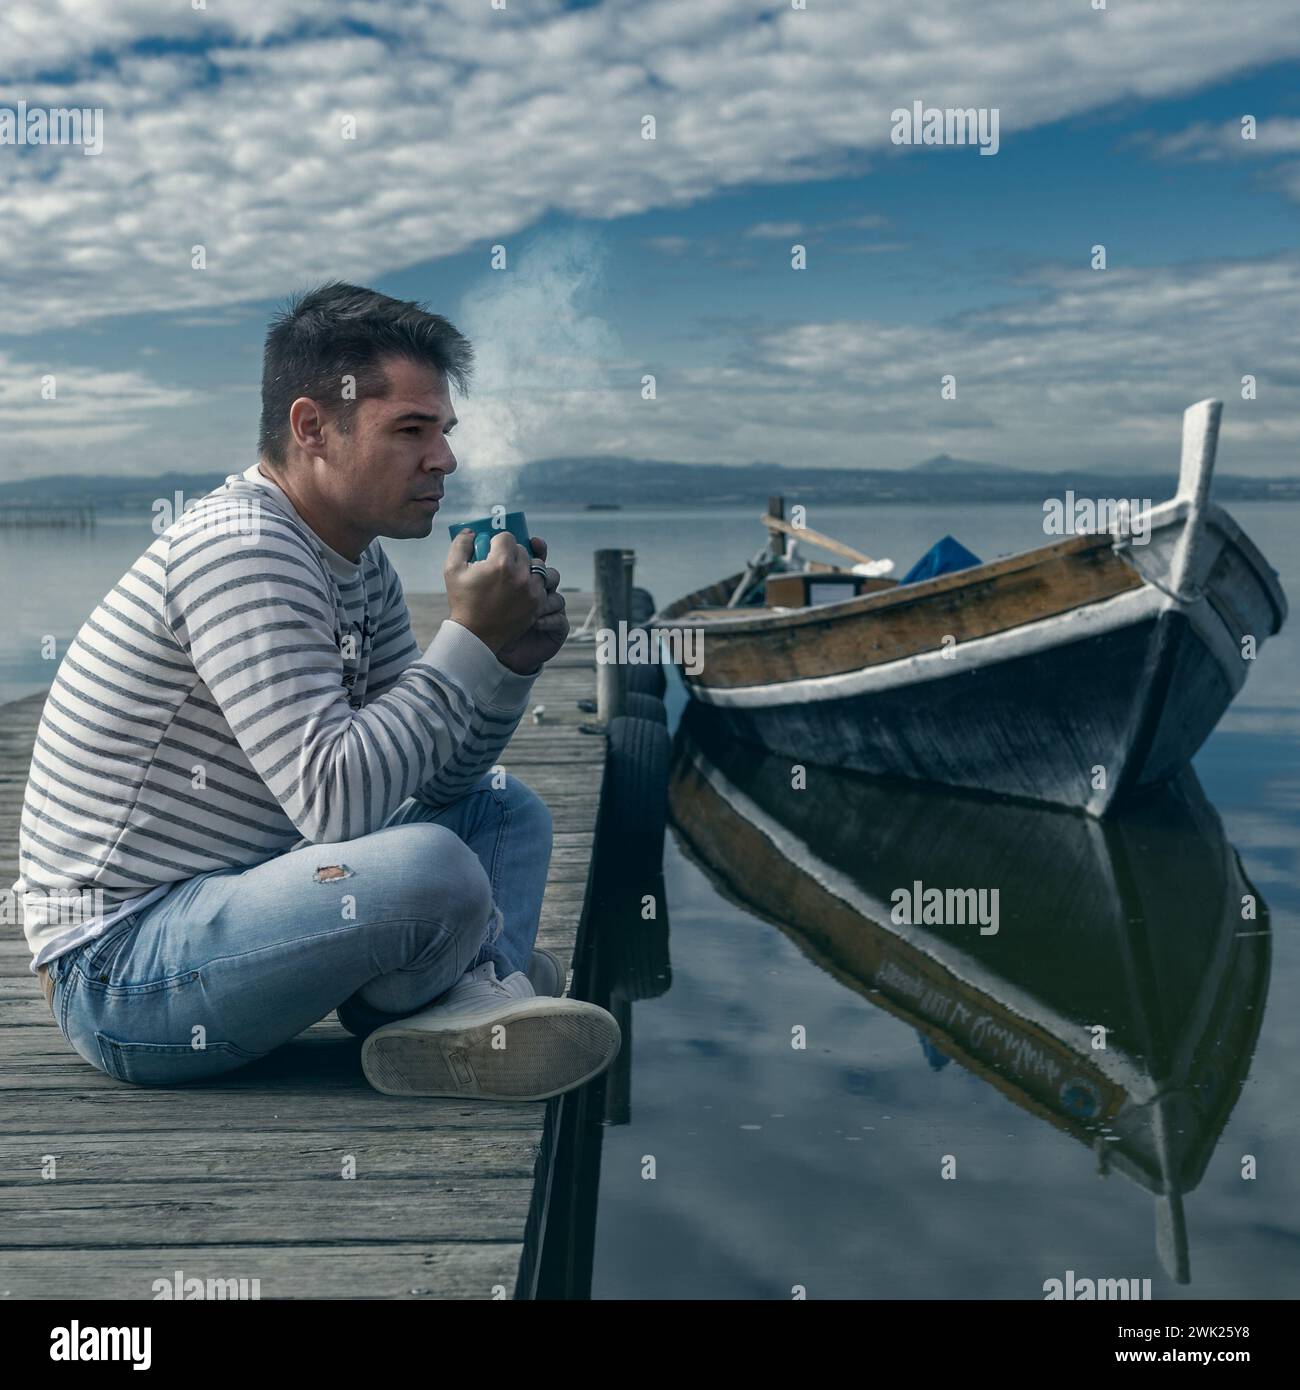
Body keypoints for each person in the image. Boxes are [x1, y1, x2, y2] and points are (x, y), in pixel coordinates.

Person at [17, 281, 621, 1101]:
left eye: (443, 432)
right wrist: (468, 639)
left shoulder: (357, 559)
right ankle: (469, 988)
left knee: (501, 812)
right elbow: (338, 805)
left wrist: (507, 666)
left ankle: (452, 1001)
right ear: (312, 428)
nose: (443, 459)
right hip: (119, 972)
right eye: (410, 430)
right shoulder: (242, 549)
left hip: (230, 906)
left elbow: (437, 780)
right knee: (433, 867)